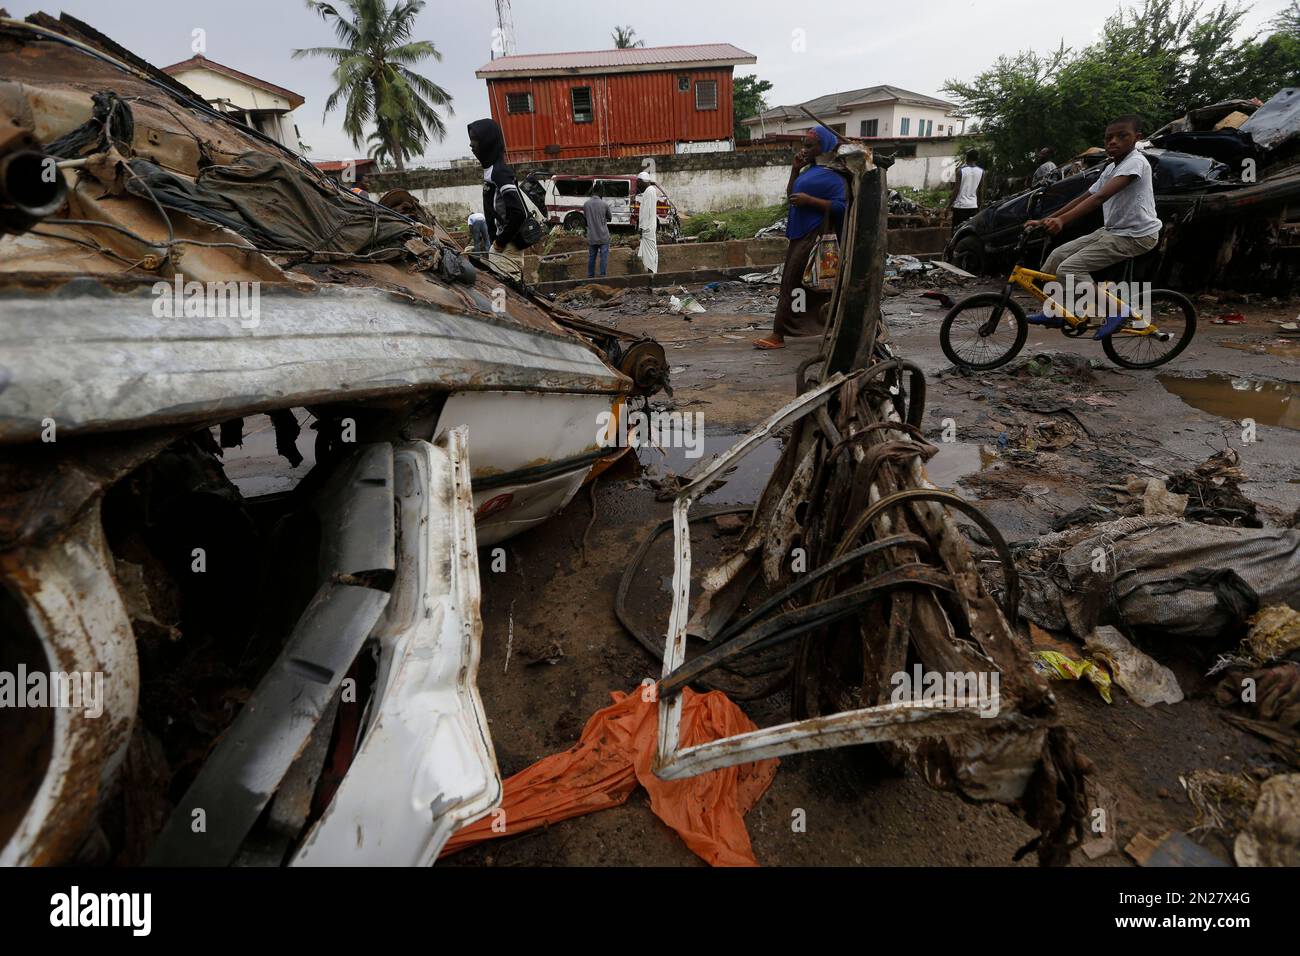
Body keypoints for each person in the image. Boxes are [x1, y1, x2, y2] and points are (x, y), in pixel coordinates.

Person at [1025, 115, 1160, 339]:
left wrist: (1062, 221)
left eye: (1121, 136)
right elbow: (1085, 196)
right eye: (1108, 138)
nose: (1113, 142)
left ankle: (1118, 312)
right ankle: (1057, 311)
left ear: (1137, 138)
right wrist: (1047, 219)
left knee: (1070, 269)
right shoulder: (1110, 168)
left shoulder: (1136, 162)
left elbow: (1099, 199)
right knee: (1056, 257)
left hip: (1136, 236)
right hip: (1112, 231)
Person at [754, 125, 847, 350]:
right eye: (804, 144)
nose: (804, 148)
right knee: (803, 284)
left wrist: (810, 201)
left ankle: (779, 333)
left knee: (794, 282)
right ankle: (807, 328)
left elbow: (842, 207)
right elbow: (791, 196)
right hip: (799, 233)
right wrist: (795, 170)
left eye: (810, 144)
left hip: (815, 235)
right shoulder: (809, 170)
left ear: (823, 146)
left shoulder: (836, 175)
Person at [467, 118, 527, 271]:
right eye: (471, 139)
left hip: (506, 249)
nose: (471, 145)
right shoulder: (490, 170)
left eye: (475, 140)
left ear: (487, 142)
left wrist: (500, 242)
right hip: (499, 248)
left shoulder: (499, 172)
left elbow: (519, 213)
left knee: (505, 293)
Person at [948, 149, 984, 232]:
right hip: (973, 207)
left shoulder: (960, 171)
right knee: (969, 231)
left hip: (960, 207)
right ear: (976, 159)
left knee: (956, 231)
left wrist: (948, 206)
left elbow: (956, 190)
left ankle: (955, 245)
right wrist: (979, 206)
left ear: (966, 158)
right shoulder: (981, 172)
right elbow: (980, 191)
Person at [583, 182, 612, 278]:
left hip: (592, 236)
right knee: (603, 257)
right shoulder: (604, 204)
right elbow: (609, 217)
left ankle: (590, 276)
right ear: (601, 192)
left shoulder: (586, 204)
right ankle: (602, 276)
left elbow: (586, 218)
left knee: (592, 257)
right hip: (603, 236)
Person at [635, 171, 659, 275]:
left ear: (642, 181)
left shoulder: (649, 191)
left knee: (650, 253)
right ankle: (651, 273)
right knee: (650, 251)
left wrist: (642, 227)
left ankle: (652, 274)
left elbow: (647, 211)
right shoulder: (650, 190)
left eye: (638, 183)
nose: (637, 185)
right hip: (648, 226)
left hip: (648, 227)